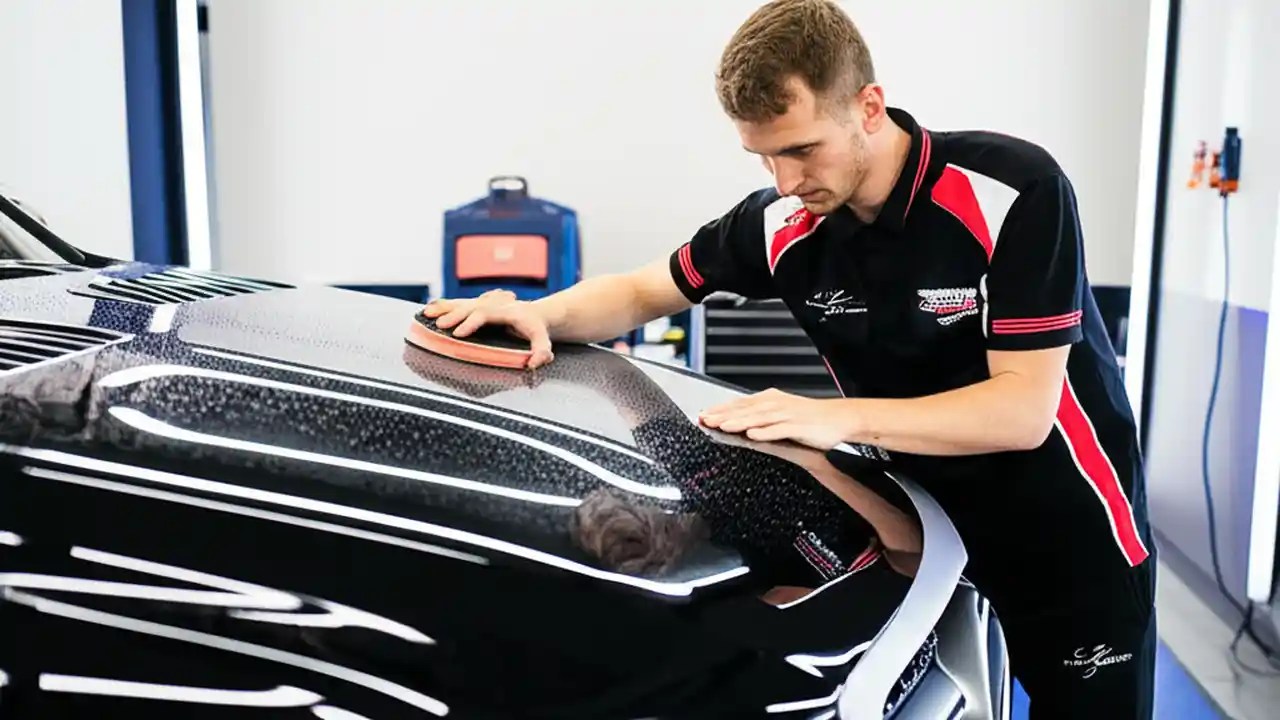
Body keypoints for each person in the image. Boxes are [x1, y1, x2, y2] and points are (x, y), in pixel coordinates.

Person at [423, 0, 1156, 716]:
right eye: (764, 156)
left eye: (802, 149)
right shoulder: (785, 223)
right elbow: (644, 290)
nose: (786, 181)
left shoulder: (1011, 193)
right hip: (924, 534)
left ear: (869, 107)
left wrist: (832, 419)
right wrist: (540, 313)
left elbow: (1022, 410)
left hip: (1067, 541)